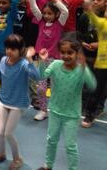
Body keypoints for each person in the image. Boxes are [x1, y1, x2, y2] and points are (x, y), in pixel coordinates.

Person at [37, 39, 97, 170]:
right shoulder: (55, 65)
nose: (66, 56)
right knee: (51, 140)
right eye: (63, 52)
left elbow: (92, 85)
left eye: (70, 52)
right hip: (55, 111)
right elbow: (41, 76)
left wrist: (85, 67)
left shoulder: (81, 69)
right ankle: (48, 165)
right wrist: (43, 61)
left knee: (70, 146)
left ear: (77, 53)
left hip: (72, 115)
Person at [0, 35, 40, 169]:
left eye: (13, 49)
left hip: (18, 103)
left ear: (20, 50)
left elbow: (37, 77)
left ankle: (17, 159)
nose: (9, 51)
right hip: (4, 100)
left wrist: (30, 59)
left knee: (8, 133)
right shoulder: (4, 60)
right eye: (8, 48)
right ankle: (1, 154)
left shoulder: (24, 64)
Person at [26, 0, 68, 121]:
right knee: (41, 88)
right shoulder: (41, 22)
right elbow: (34, 8)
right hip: (42, 60)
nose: (46, 16)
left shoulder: (60, 23)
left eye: (50, 13)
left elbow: (65, 11)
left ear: (56, 14)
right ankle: (43, 110)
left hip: (55, 60)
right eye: (44, 13)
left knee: (56, 88)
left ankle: (56, 110)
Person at [81, 0, 107, 127]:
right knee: (96, 88)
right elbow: (89, 12)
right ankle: (89, 114)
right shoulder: (99, 21)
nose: (96, 1)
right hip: (100, 60)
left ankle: (98, 108)